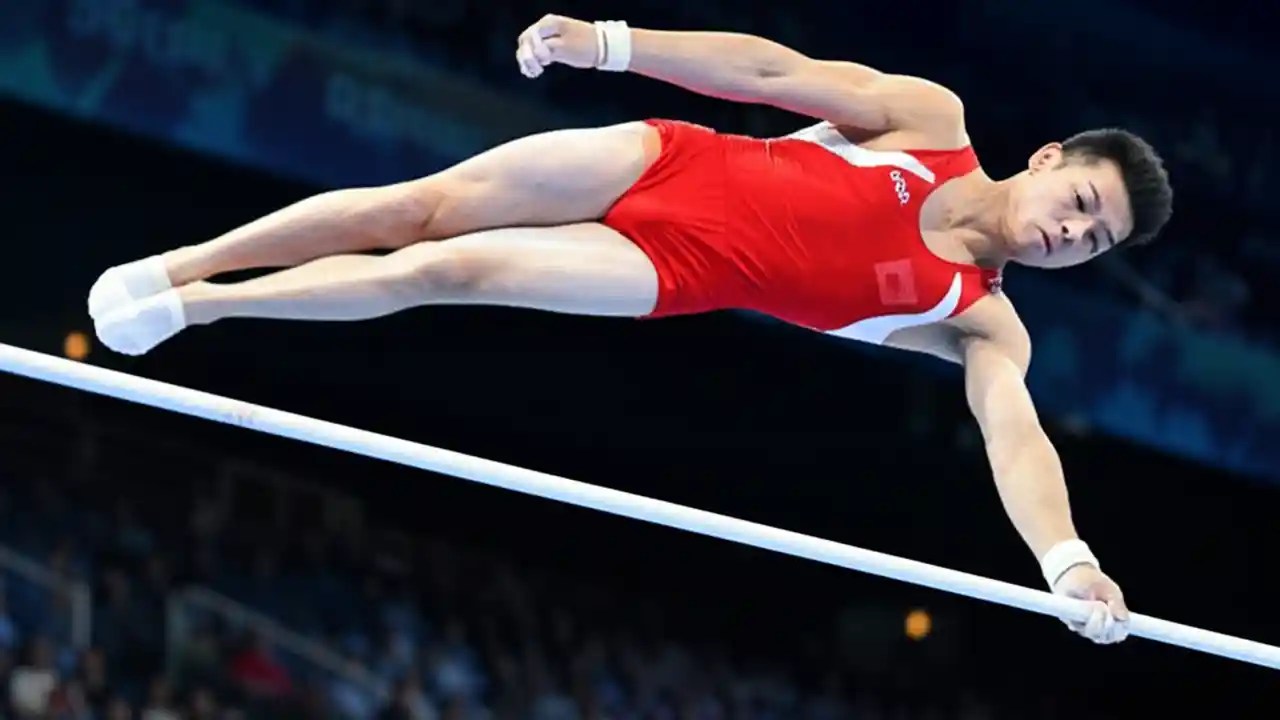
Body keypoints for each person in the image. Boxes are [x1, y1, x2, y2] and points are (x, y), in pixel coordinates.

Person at [88, 15, 1172, 645]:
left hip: (665, 269)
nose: (1069, 234)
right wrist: (612, 43)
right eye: (1080, 204)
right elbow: (767, 73)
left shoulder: (979, 324)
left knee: (441, 268)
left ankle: (195, 308)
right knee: (414, 204)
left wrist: (1067, 565)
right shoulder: (930, 124)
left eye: (1091, 244)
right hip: (669, 157)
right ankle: (182, 263)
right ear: (1047, 160)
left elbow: (1013, 440)